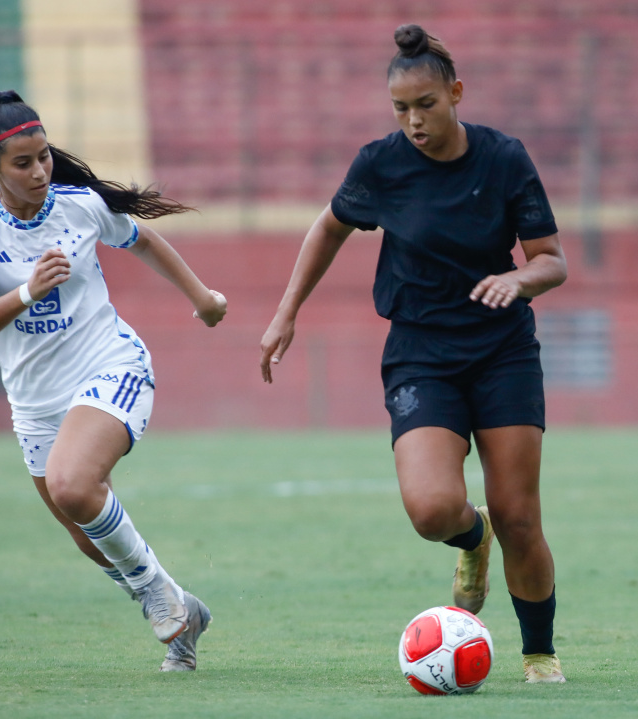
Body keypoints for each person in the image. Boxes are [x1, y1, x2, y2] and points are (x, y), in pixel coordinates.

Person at [260, 25, 568, 683]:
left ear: (454, 93)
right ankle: (469, 537)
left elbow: (552, 262)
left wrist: (517, 277)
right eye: (400, 109)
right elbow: (328, 228)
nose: (413, 121)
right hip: (420, 354)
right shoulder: (380, 164)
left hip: (501, 350)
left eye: (425, 104)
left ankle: (538, 653)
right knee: (431, 510)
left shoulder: (504, 159)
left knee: (519, 515)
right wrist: (287, 310)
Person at [0, 90, 227, 672]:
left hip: (110, 366)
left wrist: (202, 298)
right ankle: (182, 611)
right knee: (85, 531)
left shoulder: (78, 205)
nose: (39, 171)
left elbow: (143, 239)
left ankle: (159, 599)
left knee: (74, 486)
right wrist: (28, 290)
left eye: (44, 156)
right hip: (33, 404)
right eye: (22, 163)